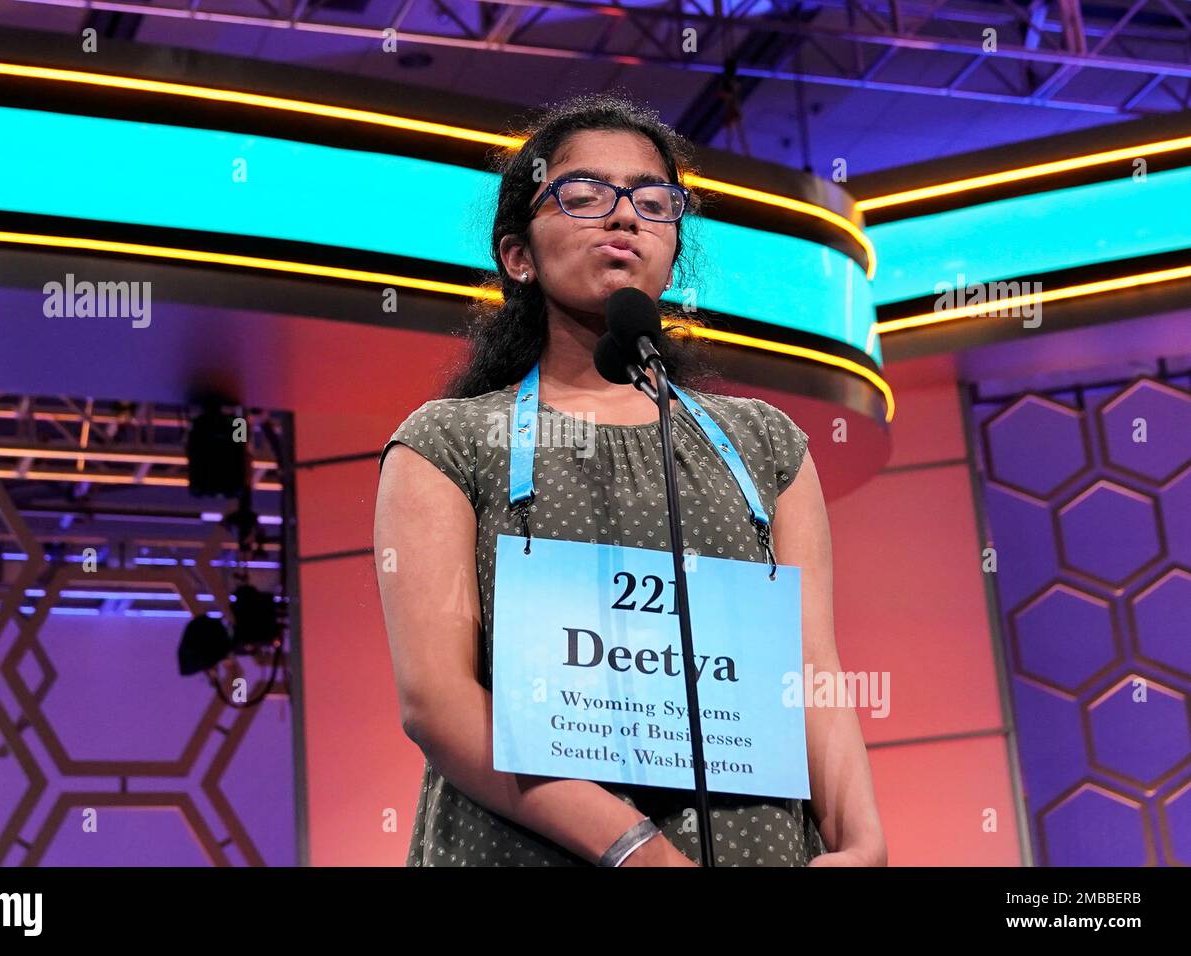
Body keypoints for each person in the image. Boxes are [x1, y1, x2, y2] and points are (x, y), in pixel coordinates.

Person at [373, 92, 886, 867]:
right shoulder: (447, 442)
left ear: (674, 247)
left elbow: (809, 669)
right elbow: (437, 703)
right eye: (583, 197)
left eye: (653, 202)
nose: (623, 218)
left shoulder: (766, 444)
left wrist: (862, 840)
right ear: (517, 255)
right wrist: (633, 848)